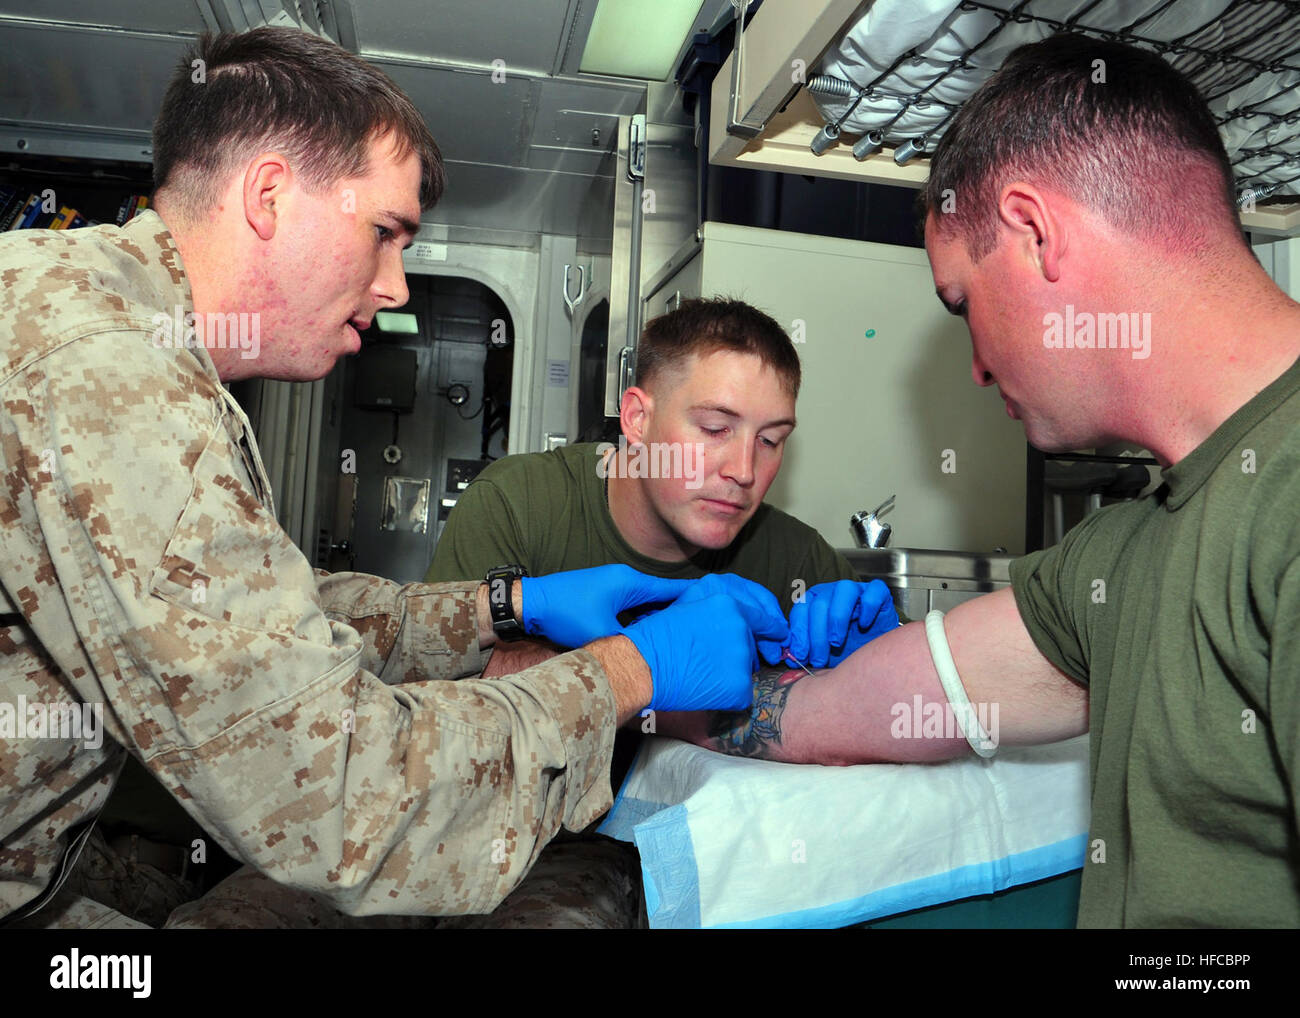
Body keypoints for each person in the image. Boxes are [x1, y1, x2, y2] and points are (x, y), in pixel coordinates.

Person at [0, 26, 787, 930]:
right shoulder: (106, 373)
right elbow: (342, 801)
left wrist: (507, 605)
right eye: (383, 233)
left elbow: (274, 619)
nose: (397, 286)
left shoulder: (112, 324)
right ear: (269, 194)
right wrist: (630, 673)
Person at [667, 33, 1300, 929]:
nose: (974, 368)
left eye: (961, 302)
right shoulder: (1129, 549)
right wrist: (648, 684)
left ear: (1036, 233)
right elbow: (849, 711)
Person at [424, 298, 900, 927]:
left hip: (677, 846)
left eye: (771, 440)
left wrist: (872, 669)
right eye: (714, 428)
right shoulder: (522, 504)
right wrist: (643, 670)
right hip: (492, 823)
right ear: (638, 420)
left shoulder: (795, 557)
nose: (742, 471)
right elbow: (443, 709)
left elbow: (858, 743)